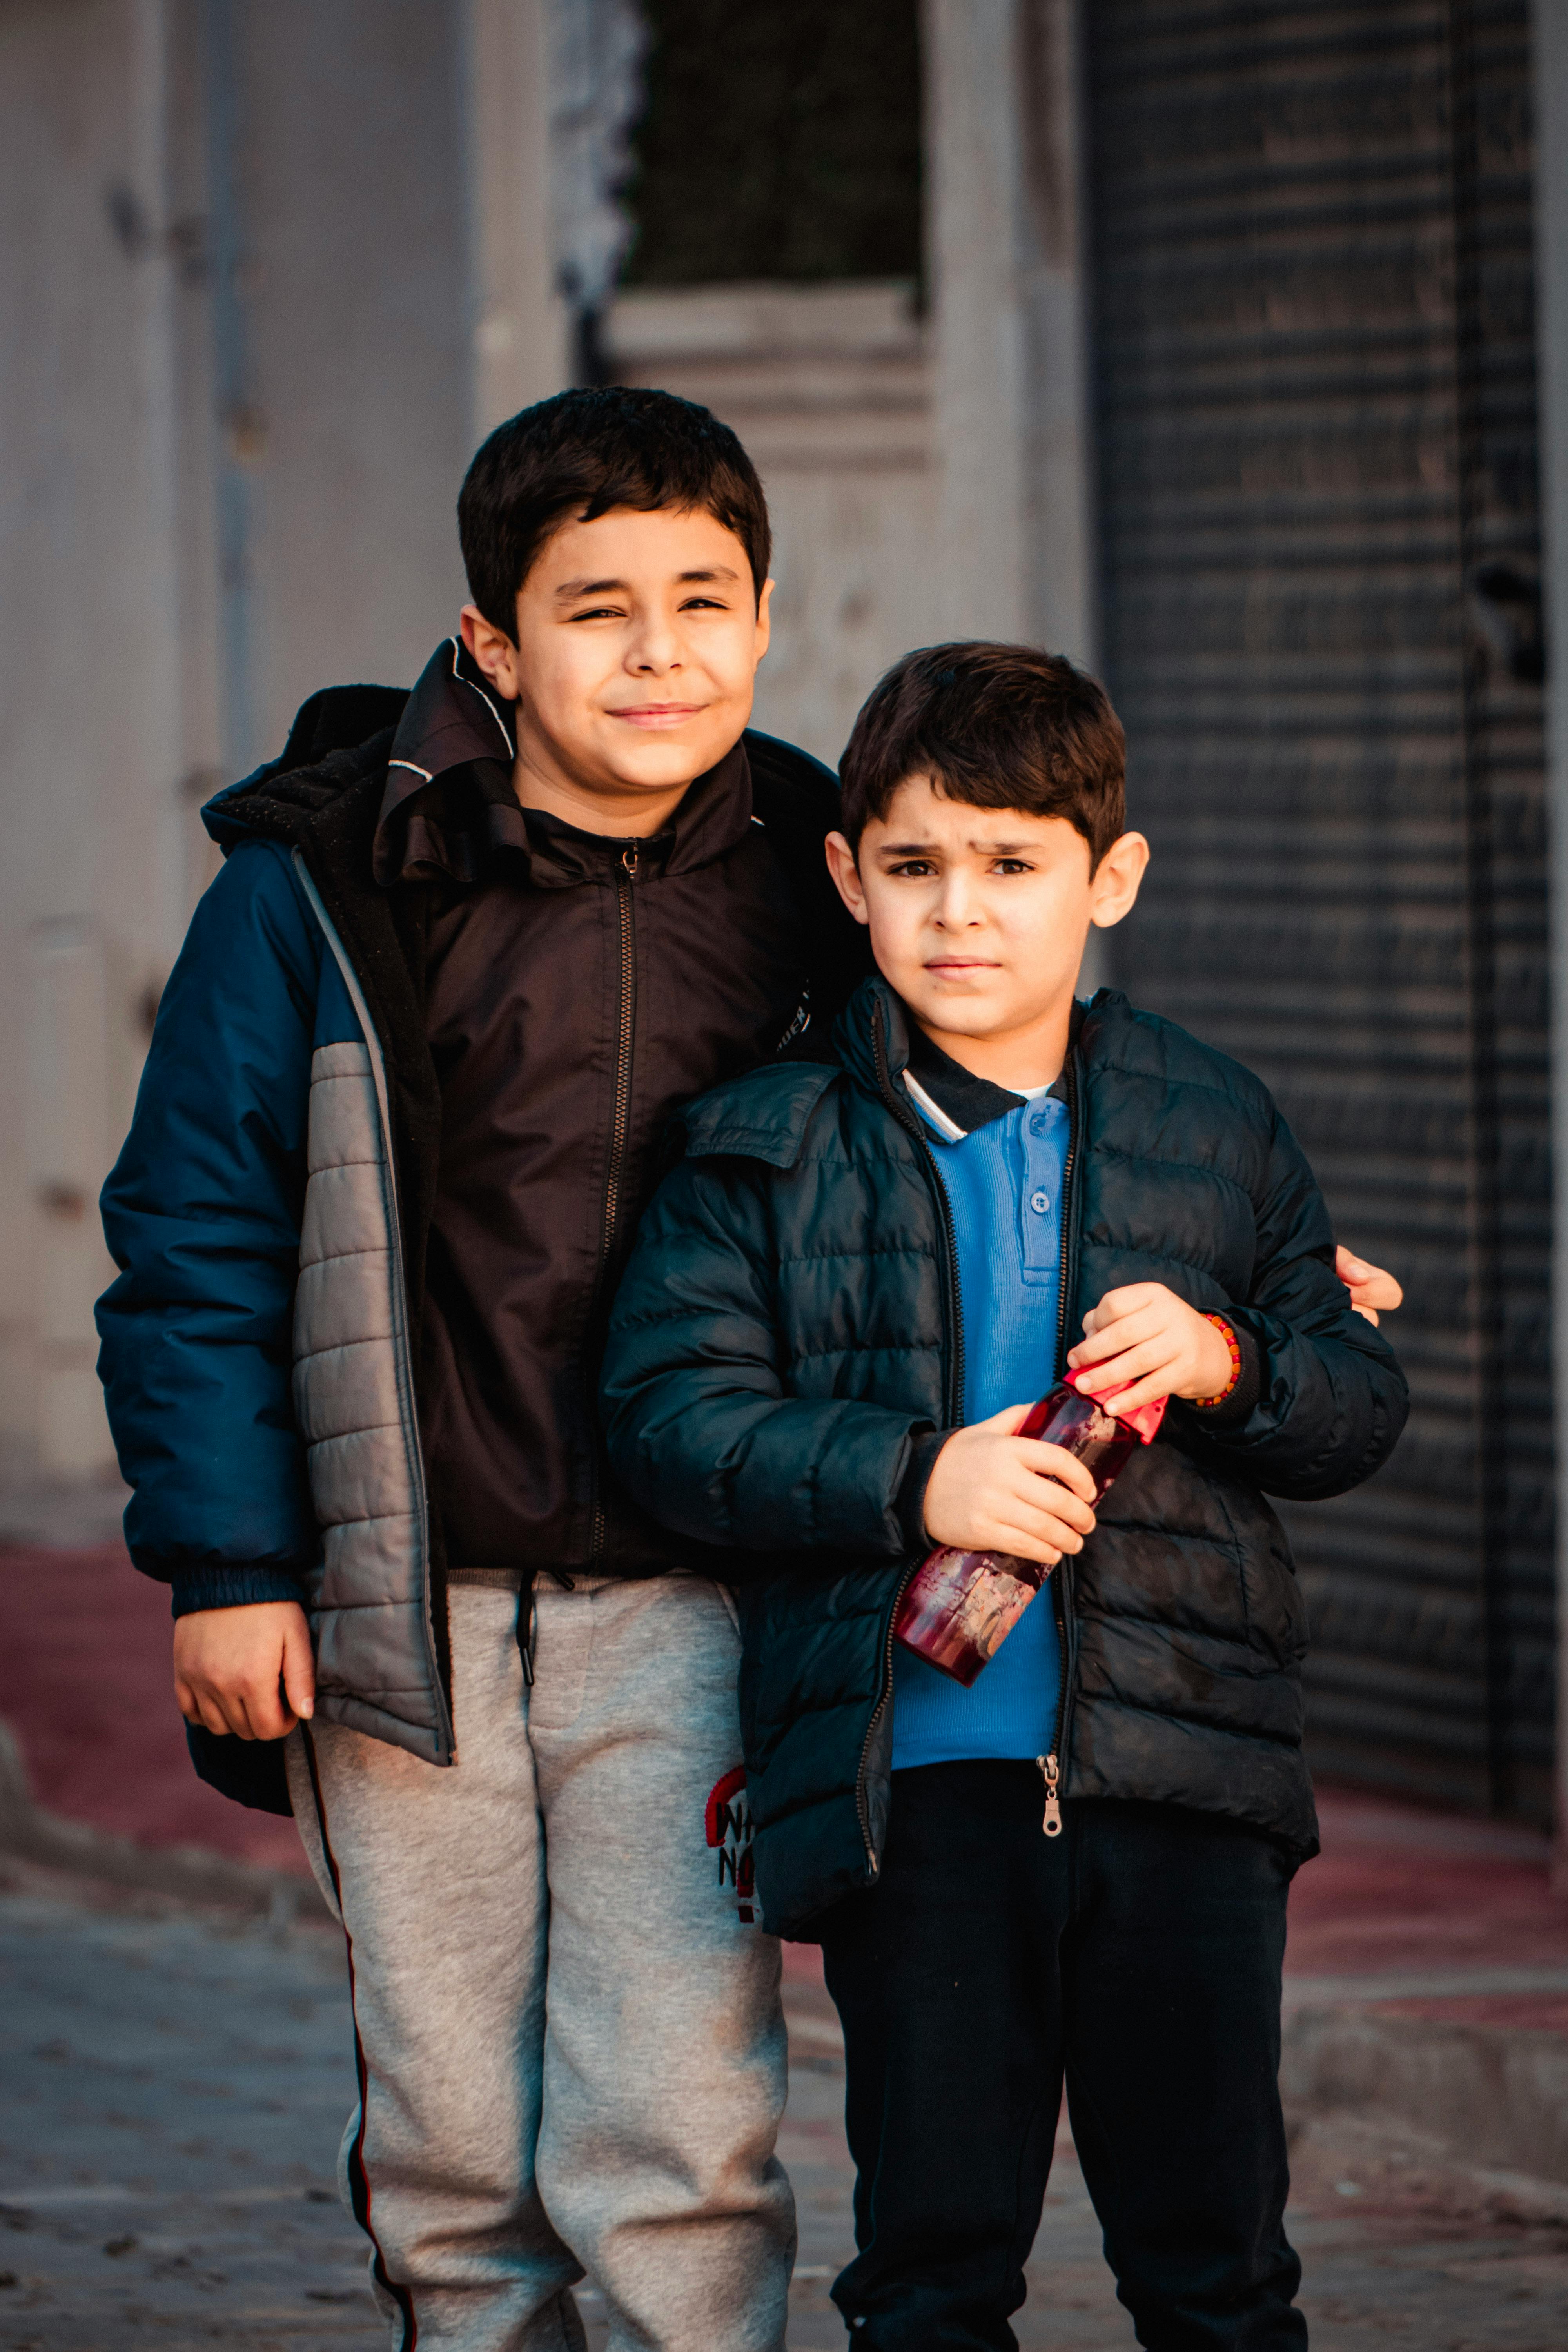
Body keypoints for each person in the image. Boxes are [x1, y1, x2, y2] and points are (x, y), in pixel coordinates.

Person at [94, 386, 873, 2352]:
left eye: (705, 598)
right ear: (493, 647)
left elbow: (999, 1084)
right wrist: (227, 1560)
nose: (660, 650)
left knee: (685, 2107)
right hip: (399, 1598)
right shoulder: (327, 884)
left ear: (767, 616)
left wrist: (1221, 1258)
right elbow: (195, 1231)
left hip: (699, 1595)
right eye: (597, 607)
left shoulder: (826, 879)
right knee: (450, 2126)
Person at [599, 640, 1410, 2350]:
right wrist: (918, 1478)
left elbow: (1350, 1406)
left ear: (1106, 878)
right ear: (849, 878)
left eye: (1012, 863)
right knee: (935, 2262)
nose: (960, 913)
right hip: (918, 1789)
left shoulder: (1214, 1116)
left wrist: (1226, 1364)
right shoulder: (766, 1139)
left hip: (1181, 1777)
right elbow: (669, 1418)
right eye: (914, 867)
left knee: (1216, 2266)